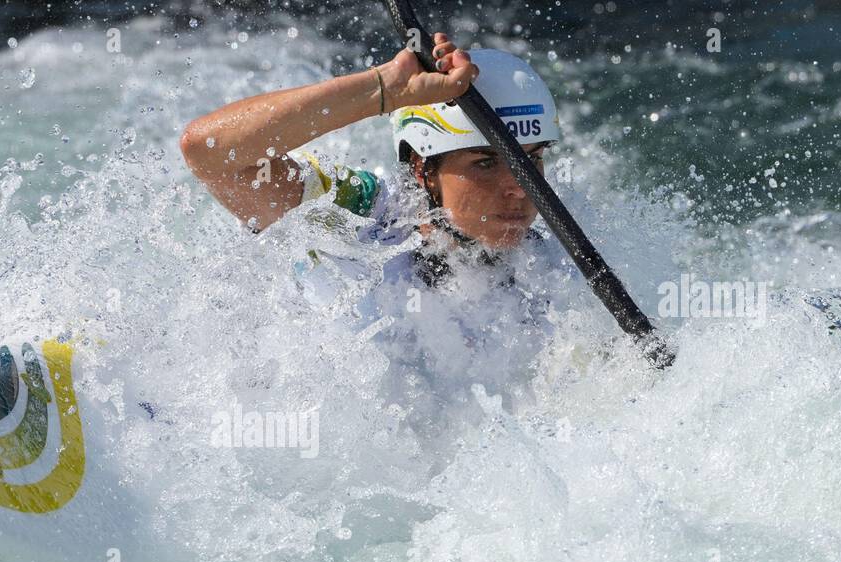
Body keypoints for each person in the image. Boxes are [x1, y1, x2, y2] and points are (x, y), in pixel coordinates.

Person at [179, 34, 571, 421]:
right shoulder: (362, 211)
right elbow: (208, 152)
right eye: (486, 163)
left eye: (531, 160)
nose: (520, 189)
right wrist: (385, 89)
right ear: (422, 170)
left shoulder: (555, 259)